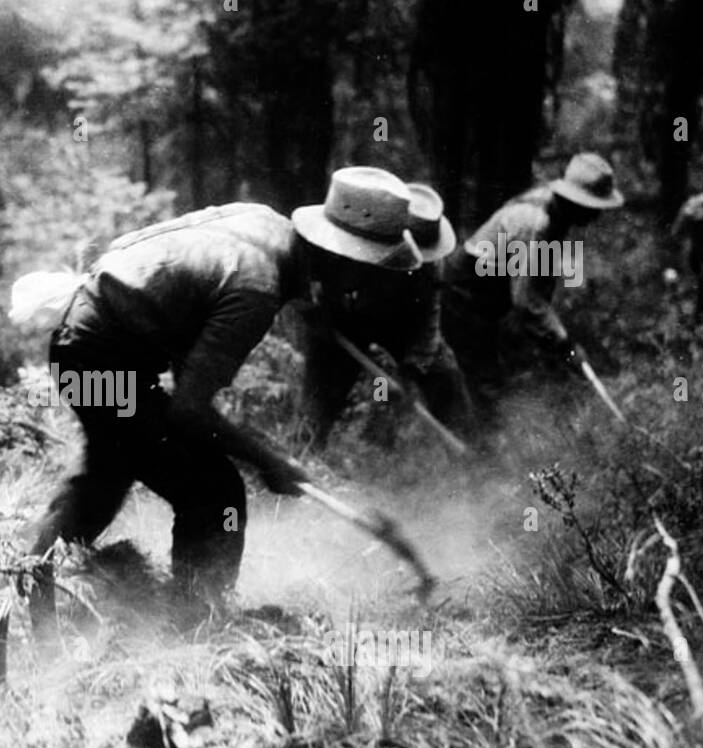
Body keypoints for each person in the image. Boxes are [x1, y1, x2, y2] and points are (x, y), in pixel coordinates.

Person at [26, 167, 461, 632]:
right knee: (213, 491)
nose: (364, 285)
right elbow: (189, 407)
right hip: (102, 358)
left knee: (109, 473)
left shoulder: (265, 225)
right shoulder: (256, 287)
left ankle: (27, 586)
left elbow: (183, 322)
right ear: (339, 259)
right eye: (366, 269)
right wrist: (269, 460)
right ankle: (196, 625)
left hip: (92, 346)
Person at [294, 168, 473, 451]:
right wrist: (315, 311)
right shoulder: (357, 241)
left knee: (444, 376)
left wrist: (413, 371)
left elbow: (428, 319)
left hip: (402, 323)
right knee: (322, 386)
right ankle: (304, 453)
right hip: (345, 318)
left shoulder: (430, 267)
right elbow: (309, 279)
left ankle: (473, 461)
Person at [441, 152, 624, 415]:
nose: (597, 215)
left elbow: (539, 283)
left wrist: (557, 338)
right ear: (577, 202)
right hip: (464, 296)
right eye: (594, 207)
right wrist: (564, 344)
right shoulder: (535, 224)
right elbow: (527, 301)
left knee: (488, 373)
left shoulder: (556, 213)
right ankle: (478, 446)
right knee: (485, 384)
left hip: (488, 298)